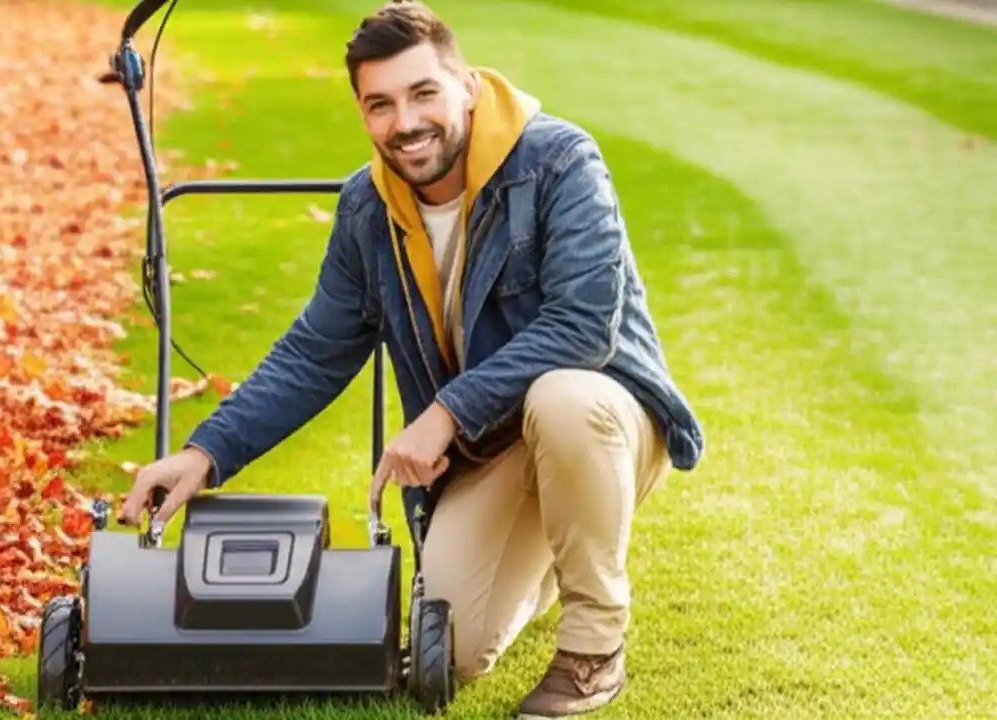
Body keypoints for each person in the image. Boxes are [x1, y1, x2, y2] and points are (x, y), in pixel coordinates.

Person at [118, 1, 704, 716]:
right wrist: (206, 454)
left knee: (564, 397)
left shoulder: (558, 161)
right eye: (380, 105)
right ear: (363, 113)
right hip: (492, 448)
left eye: (423, 93)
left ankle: (593, 648)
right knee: (452, 647)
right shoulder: (368, 208)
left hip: (603, 416)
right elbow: (314, 353)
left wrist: (444, 412)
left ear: (465, 85)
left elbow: (583, 327)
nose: (406, 122)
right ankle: (565, 538)